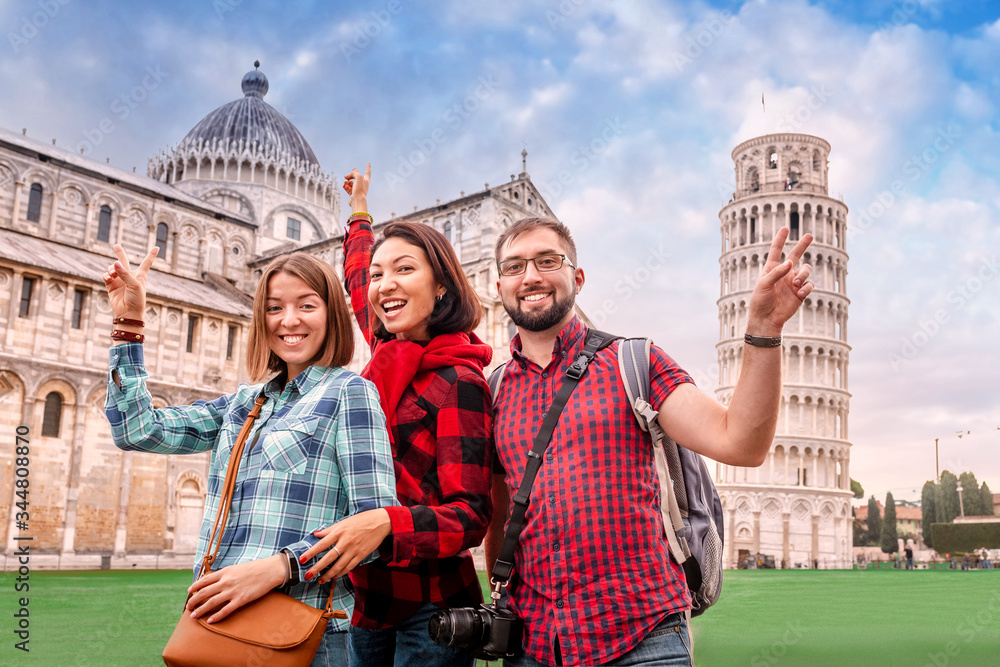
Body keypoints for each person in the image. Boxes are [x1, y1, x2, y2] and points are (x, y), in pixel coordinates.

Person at [485, 217, 815, 666]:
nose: (531, 276)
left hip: (643, 638)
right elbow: (500, 514)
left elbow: (740, 443)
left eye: (548, 261)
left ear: (577, 278)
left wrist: (764, 329)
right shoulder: (495, 391)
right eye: (515, 266)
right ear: (500, 284)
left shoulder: (634, 361)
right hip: (537, 644)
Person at [103, 245, 398, 665]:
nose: (289, 320)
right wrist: (128, 324)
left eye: (306, 305)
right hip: (219, 625)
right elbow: (138, 430)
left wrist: (279, 568)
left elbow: (376, 525)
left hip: (304, 635)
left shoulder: (349, 393)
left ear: (332, 314)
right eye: (274, 308)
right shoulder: (244, 403)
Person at [301, 164, 494, 666]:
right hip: (367, 598)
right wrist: (360, 210)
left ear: (442, 288)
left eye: (405, 269)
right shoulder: (390, 350)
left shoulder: (459, 382)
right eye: (382, 275)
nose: (385, 285)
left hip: (432, 611)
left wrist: (386, 524)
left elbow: (470, 517)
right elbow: (359, 273)